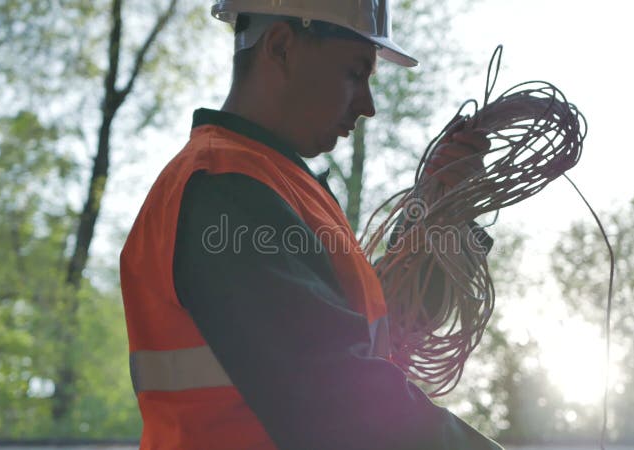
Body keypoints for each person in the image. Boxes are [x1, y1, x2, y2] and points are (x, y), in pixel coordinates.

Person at [120, 1, 501, 448]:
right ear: (281, 47)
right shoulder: (225, 186)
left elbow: (390, 326)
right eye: (354, 74)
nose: (368, 106)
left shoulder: (280, 184)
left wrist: (437, 208)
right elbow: (335, 397)